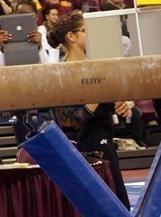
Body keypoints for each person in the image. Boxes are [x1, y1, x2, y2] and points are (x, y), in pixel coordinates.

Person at [48, 11, 131, 208]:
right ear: (71, 36)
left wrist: (120, 104)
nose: (91, 35)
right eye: (86, 31)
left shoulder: (97, 65)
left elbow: (109, 100)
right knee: (104, 205)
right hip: (85, 144)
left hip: (106, 137)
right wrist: (98, 92)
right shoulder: (63, 71)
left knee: (120, 203)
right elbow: (70, 120)